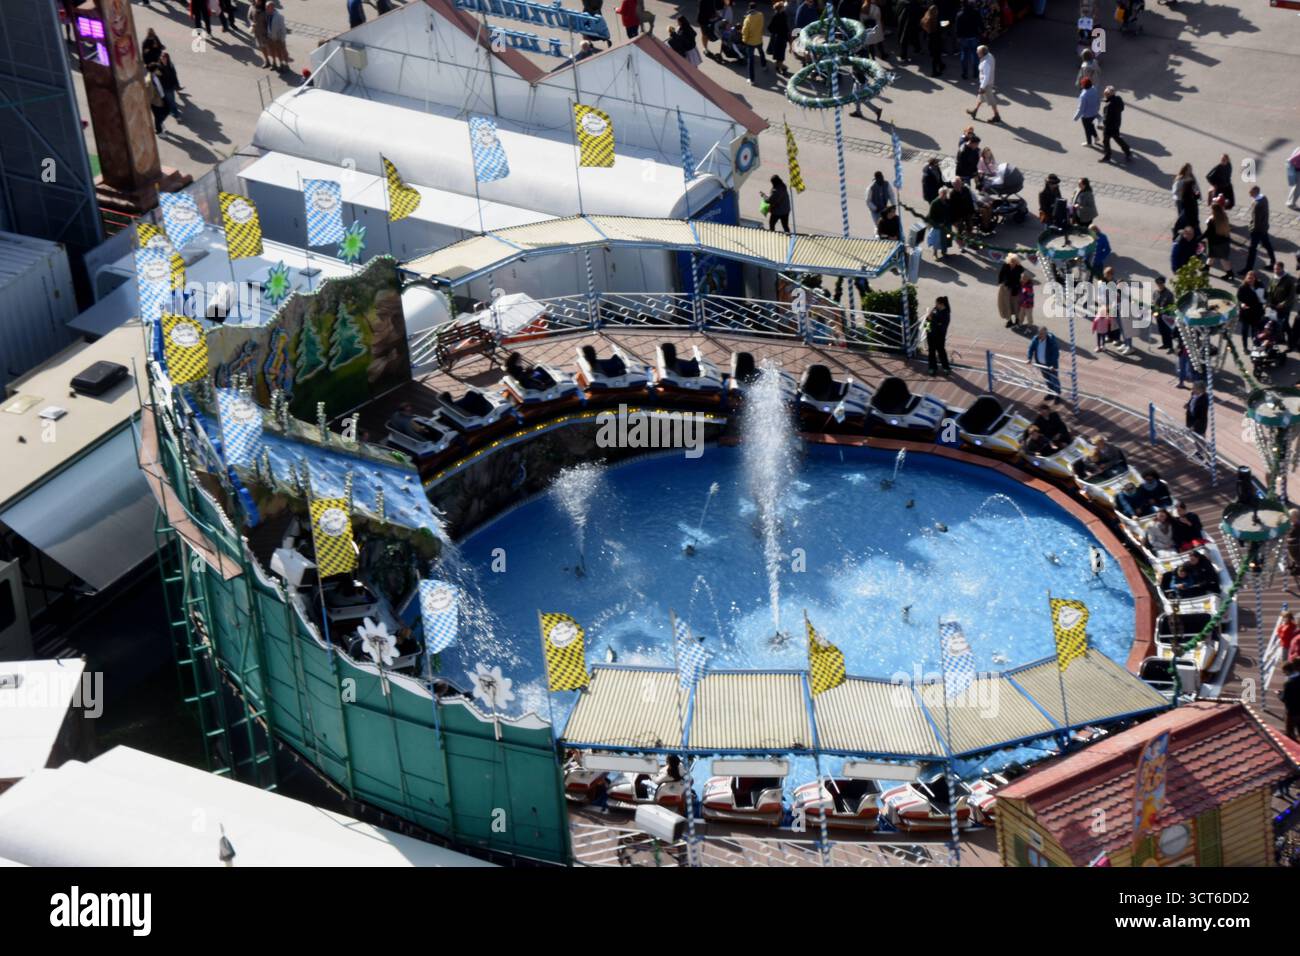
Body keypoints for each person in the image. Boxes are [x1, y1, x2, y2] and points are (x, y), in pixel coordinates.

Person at [1244, 185, 1276, 274]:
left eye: (1250, 192)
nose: (1249, 194)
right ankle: (1273, 262)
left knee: (1252, 249)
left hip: (1257, 230)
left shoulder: (1257, 204)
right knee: (1267, 244)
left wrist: (1251, 229)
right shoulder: (1264, 198)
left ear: (1255, 192)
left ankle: (1248, 268)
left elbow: (1256, 220)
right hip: (1264, 227)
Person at [1027, 325, 1061, 401]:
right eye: (1039, 333)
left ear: (1046, 334)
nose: (1040, 335)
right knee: (1047, 379)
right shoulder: (1035, 339)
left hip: (1051, 365)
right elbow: (1031, 349)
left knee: (1054, 380)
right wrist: (1029, 358)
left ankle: (1057, 395)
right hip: (1041, 364)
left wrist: (1053, 365)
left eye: (1042, 334)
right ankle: (1051, 393)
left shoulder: (1051, 341)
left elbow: (1055, 354)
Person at [967, 46, 1001, 123]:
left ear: (982, 53)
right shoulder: (989, 55)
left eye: (978, 52)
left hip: (986, 85)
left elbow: (986, 76)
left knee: (991, 101)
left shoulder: (985, 63)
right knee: (981, 98)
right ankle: (974, 111)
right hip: (986, 83)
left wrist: (982, 87)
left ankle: (997, 116)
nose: (976, 52)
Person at [1099, 86, 1132, 164]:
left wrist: (1103, 124)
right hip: (1116, 123)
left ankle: (1107, 156)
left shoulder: (1109, 106)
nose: (1104, 95)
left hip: (1109, 126)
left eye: (1105, 94)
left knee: (1105, 141)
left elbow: (1106, 118)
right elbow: (1122, 108)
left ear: (1108, 95)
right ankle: (1127, 150)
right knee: (1117, 138)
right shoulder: (1118, 99)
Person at [1270, 261, 1298, 350]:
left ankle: (1291, 343)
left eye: (1277, 269)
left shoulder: (1288, 279)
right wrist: (1268, 302)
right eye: (1275, 269)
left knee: (1285, 325)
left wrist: (1283, 304)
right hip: (1274, 306)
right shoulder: (1273, 278)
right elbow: (1270, 291)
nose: (1275, 270)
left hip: (1285, 308)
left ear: (1282, 268)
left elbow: (1292, 295)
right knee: (1277, 324)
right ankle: (1281, 339)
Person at [1204, 196, 1233, 279]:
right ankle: (1206, 267)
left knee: (1223, 260)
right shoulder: (1223, 216)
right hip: (1224, 241)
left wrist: (1198, 239)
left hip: (1215, 243)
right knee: (1212, 256)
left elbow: (1208, 232)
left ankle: (1230, 274)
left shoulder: (1212, 220)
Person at [1172, 163, 1201, 239]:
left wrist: (1198, 194)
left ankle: (1194, 232)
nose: (1190, 171)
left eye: (1191, 169)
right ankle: (1182, 233)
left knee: (1193, 216)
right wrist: (1181, 192)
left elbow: (1196, 187)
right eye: (1189, 169)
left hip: (1192, 200)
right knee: (1183, 218)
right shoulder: (1180, 179)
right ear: (1185, 170)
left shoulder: (1192, 178)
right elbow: (1175, 191)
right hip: (1181, 201)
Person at [1238, 270, 1265, 351]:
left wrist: (1265, 301)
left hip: (1256, 312)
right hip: (1246, 313)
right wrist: (1241, 304)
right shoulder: (1242, 287)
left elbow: (1265, 295)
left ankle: (1255, 346)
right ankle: (1245, 348)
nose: (1250, 280)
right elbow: (1238, 299)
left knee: (1254, 331)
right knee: (1245, 332)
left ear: (1255, 278)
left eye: (1252, 278)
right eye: (1248, 278)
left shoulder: (1260, 285)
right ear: (1246, 278)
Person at [740, 4, 767, 84]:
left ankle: (752, 80)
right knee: (761, 52)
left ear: (749, 8)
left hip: (750, 42)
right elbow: (761, 25)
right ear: (756, 8)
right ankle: (764, 66)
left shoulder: (747, 19)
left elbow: (745, 31)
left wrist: (744, 40)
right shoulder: (760, 15)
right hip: (759, 39)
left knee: (750, 60)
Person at [925, 296, 952, 375]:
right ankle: (932, 368)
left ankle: (946, 368)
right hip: (931, 335)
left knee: (941, 352)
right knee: (931, 352)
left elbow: (941, 326)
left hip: (939, 336)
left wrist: (932, 320)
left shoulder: (946, 314)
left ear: (942, 304)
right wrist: (927, 330)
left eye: (937, 303)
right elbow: (928, 320)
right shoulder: (935, 310)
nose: (935, 305)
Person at [954, 1, 980, 79]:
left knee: (964, 55)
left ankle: (965, 73)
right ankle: (975, 73)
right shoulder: (976, 13)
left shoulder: (959, 15)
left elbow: (957, 27)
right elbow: (980, 23)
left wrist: (958, 37)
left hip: (963, 38)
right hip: (973, 36)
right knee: (974, 55)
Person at [996, 253, 1023, 327]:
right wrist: (1000, 282)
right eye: (1011, 261)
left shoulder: (1020, 268)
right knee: (1006, 304)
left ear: (1017, 262)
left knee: (1016, 305)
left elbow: (1022, 278)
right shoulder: (1005, 266)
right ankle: (1009, 320)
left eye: (1014, 261)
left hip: (1015, 288)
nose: (1012, 263)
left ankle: (1018, 319)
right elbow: (1001, 274)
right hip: (1006, 288)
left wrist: (1018, 286)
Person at [1074, 77, 1100, 149]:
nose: (1081, 85)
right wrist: (1097, 109)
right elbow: (1098, 100)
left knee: (1087, 129)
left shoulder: (1084, 96)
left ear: (1084, 85)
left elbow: (1081, 108)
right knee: (1091, 126)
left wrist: (1076, 117)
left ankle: (1089, 143)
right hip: (1094, 113)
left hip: (1086, 116)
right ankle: (1096, 137)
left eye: (1081, 84)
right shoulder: (1094, 89)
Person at [926, 187, 952, 258]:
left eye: (945, 193)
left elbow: (950, 212)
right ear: (939, 193)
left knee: (946, 239)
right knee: (936, 239)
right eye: (943, 193)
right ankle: (935, 253)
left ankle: (944, 252)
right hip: (937, 225)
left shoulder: (947, 201)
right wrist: (938, 223)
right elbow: (931, 216)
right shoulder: (934, 203)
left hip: (946, 224)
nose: (944, 195)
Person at [1153, 275, 1176, 352]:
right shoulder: (1155, 292)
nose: (1159, 285)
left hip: (1166, 316)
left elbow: (1172, 306)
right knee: (1161, 331)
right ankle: (1165, 344)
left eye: (1161, 283)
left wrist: (1165, 310)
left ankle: (1170, 347)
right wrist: (1153, 311)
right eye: (1158, 283)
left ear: (1163, 283)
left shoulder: (1169, 294)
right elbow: (1154, 303)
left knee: (1167, 332)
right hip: (1158, 316)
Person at [158, 52, 183, 119]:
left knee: (171, 101)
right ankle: (174, 113)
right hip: (163, 88)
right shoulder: (159, 67)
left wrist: (177, 85)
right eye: (162, 58)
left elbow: (174, 76)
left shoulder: (171, 66)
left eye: (164, 58)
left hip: (170, 87)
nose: (163, 59)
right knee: (169, 102)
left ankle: (175, 113)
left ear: (167, 58)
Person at [767, 2, 790, 76]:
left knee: (779, 54)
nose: (784, 8)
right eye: (783, 7)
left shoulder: (778, 15)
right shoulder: (780, 16)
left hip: (778, 37)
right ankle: (783, 68)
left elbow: (770, 28)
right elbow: (785, 28)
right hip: (781, 38)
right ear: (781, 8)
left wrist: (774, 33)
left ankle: (777, 67)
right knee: (780, 55)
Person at [146, 63, 168, 135]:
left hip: (161, 97)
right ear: (154, 70)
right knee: (158, 116)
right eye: (157, 69)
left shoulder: (155, 76)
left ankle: (160, 124)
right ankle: (159, 131)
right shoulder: (149, 79)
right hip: (156, 101)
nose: (158, 70)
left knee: (165, 112)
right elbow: (150, 93)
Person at [922, 3, 944, 76]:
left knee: (935, 55)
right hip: (936, 39)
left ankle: (941, 65)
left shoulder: (926, 18)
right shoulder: (934, 20)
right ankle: (934, 71)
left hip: (930, 39)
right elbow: (941, 26)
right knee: (936, 55)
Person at [250, 0, 272, 67]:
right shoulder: (252, 7)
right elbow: (249, 17)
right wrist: (252, 23)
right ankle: (267, 61)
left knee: (271, 48)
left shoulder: (266, 9)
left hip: (266, 33)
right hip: (257, 32)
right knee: (262, 47)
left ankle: (275, 63)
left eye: (259, 0)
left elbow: (270, 22)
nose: (257, 1)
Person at [1283, 660, 1300, 741]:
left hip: (1292, 712)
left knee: (1290, 734)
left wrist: (1279, 695)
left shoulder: (1289, 683)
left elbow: (1285, 699)